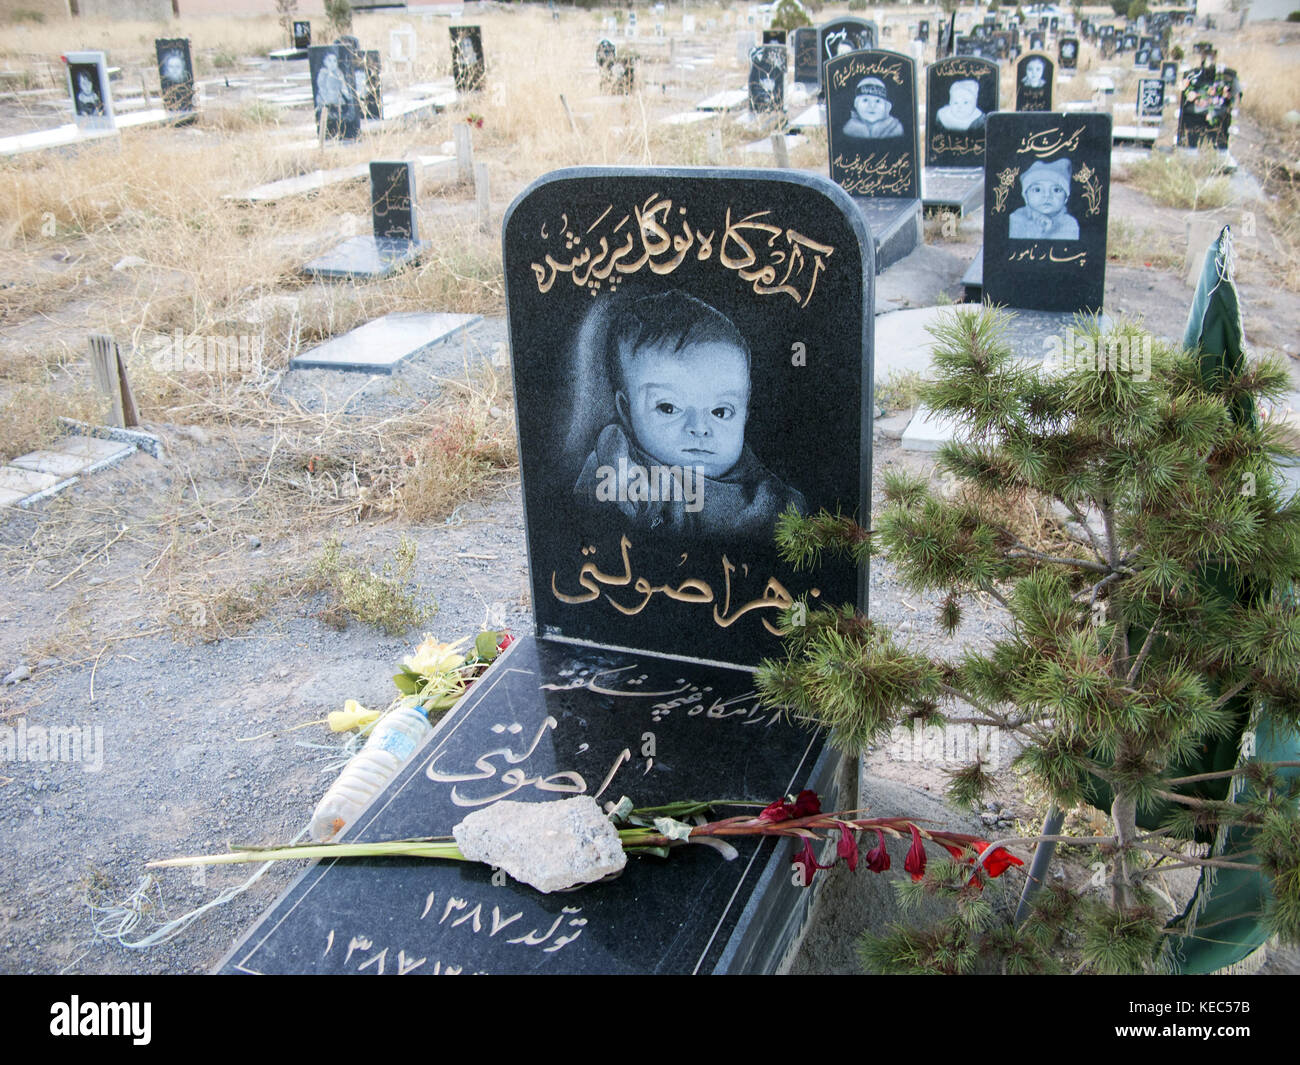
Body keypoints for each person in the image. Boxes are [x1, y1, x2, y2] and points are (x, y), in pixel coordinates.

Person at [574, 291, 806, 538]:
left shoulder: (774, 501)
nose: (699, 428)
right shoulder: (618, 466)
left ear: (745, 414)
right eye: (668, 408)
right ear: (627, 411)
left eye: (720, 411)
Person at [1007, 158, 1079, 240]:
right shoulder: (1016, 219)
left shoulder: (1069, 223)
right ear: (1025, 197)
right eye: (1037, 190)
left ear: (1066, 198)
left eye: (1056, 190)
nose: (1047, 196)